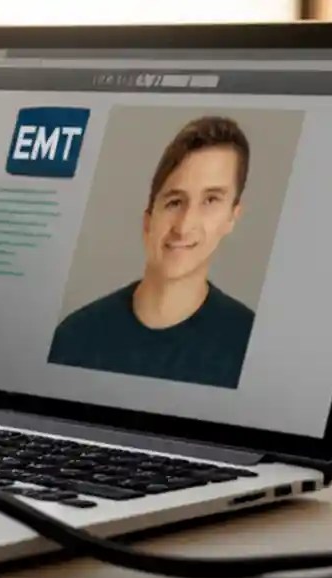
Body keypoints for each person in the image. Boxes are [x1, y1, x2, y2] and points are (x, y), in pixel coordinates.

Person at [47, 115, 256, 389]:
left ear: (232, 216)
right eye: (174, 202)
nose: (184, 226)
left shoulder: (250, 347)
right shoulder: (74, 337)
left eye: (210, 200)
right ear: (148, 219)